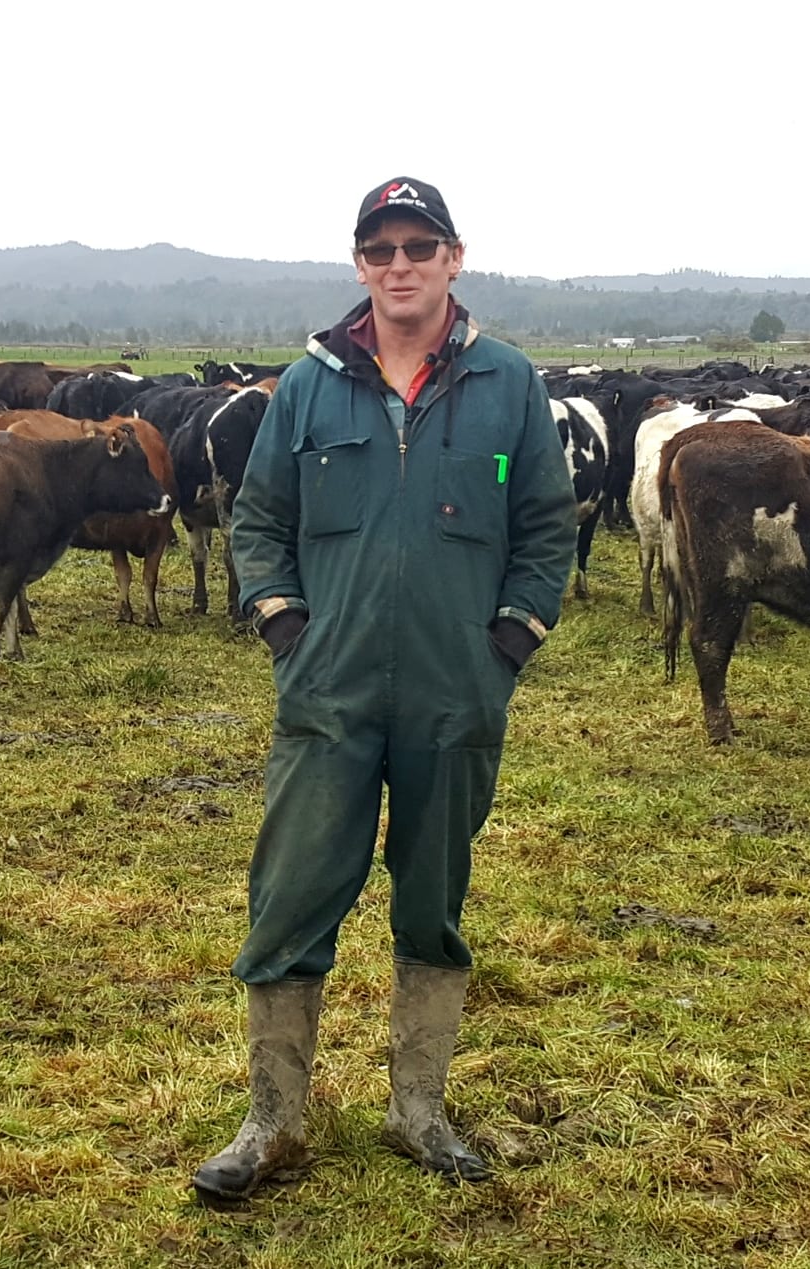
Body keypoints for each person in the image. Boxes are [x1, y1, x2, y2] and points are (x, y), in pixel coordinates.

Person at [192, 178, 576, 1201]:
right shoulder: (309, 385)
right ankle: (272, 1123)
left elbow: (548, 527)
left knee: (434, 897)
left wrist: (507, 644)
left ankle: (419, 1111)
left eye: (418, 245)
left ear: (454, 257)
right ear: (360, 263)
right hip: (329, 690)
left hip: (456, 693)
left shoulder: (506, 381)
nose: (399, 264)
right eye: (381, 248)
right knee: (290, 893)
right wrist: (283, 623)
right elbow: (258, 518)